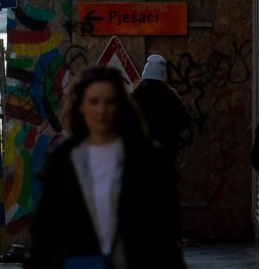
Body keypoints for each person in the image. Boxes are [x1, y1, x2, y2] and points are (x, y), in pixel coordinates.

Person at [25, 66, 185, 269]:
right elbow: (45, 233)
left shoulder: (147, 160)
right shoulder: (63, 162)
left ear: (121, 106)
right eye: (94, 102)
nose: (102, 110)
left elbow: (164, 231)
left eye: (109, 102)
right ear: (81, 106)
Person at [130, 54, 191, 172]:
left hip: (139, 158)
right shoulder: (169, 96)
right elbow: (185, 122)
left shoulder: (135, 97)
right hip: (165, 157)